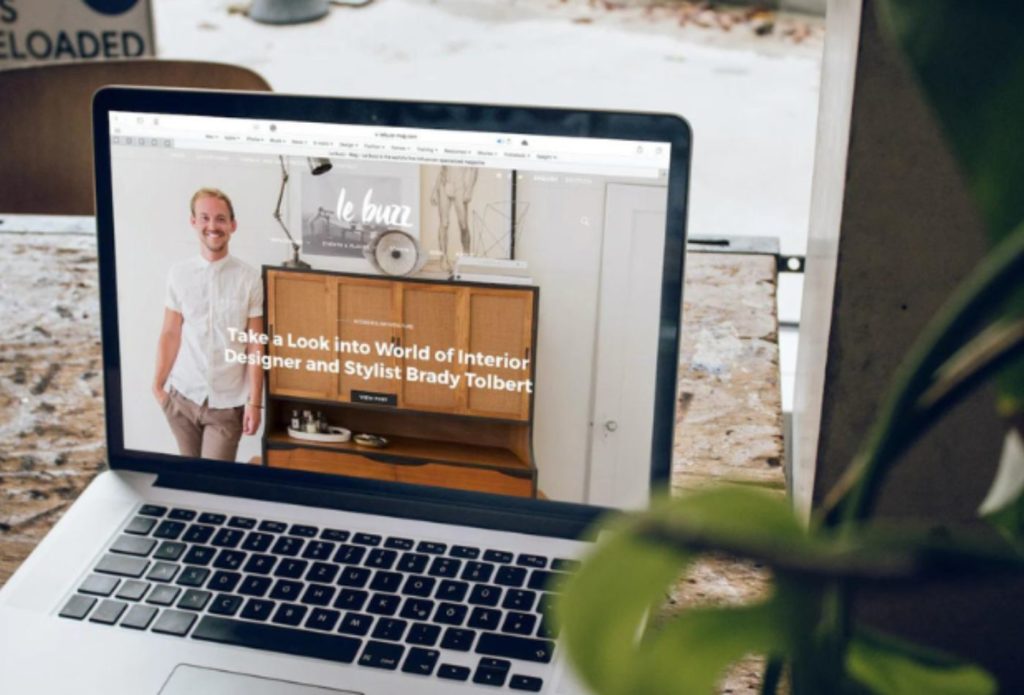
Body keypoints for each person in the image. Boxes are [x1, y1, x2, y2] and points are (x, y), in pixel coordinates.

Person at [152, 188, 264, 462]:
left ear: (232, 225)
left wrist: (255, 402)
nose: (212, 226)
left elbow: (255, 345)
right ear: (194, 222)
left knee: (216, 483)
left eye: (220, 219)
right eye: (204, 218)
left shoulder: (249, 278)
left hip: (227, 405)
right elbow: (170, 332)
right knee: (190, 482)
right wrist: (158, 388)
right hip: (182, 398)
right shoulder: (179, 274)